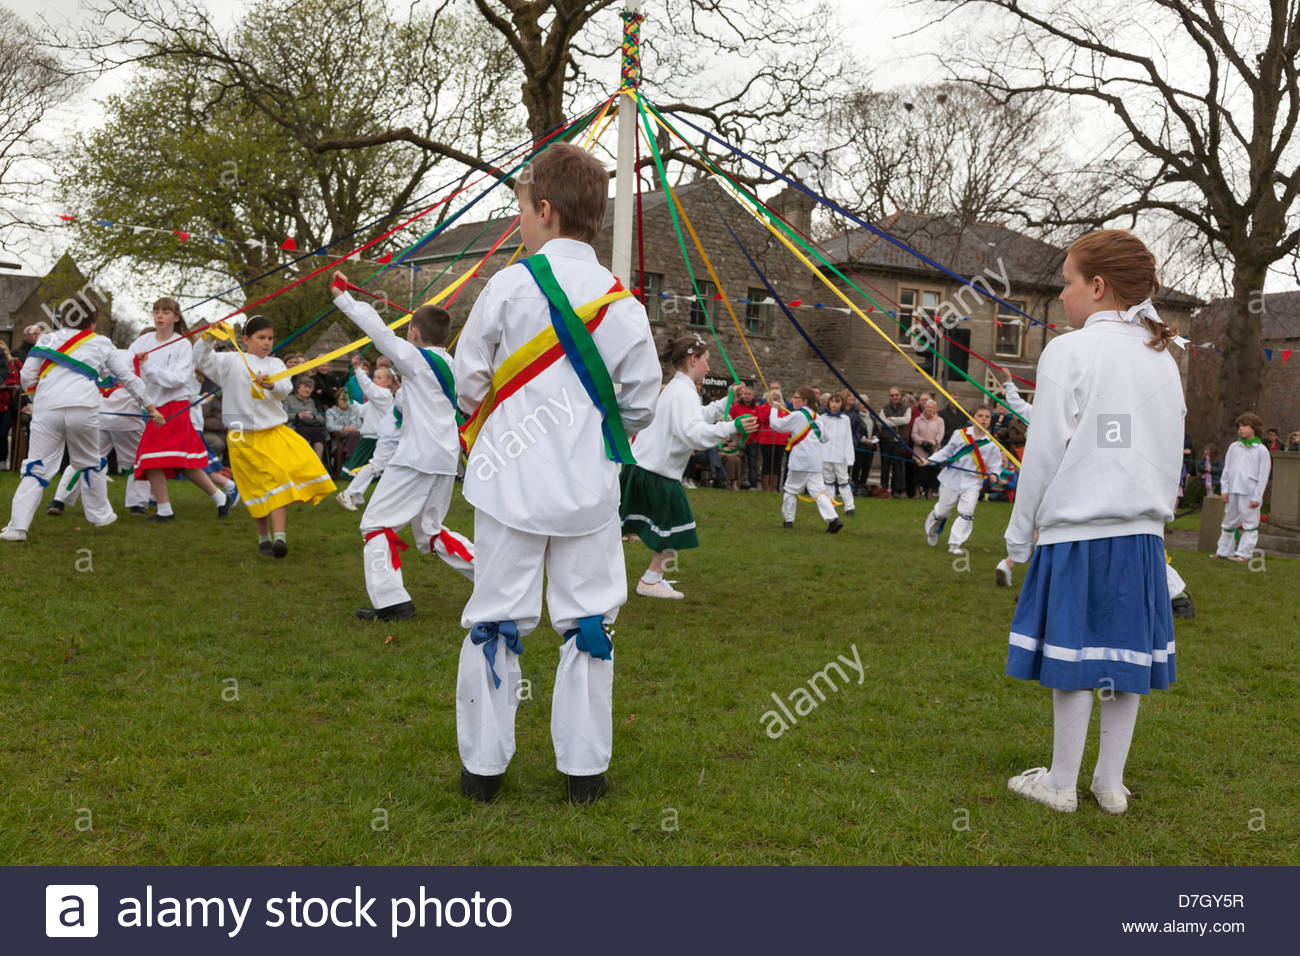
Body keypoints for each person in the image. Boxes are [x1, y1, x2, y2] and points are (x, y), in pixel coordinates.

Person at [451, 141, 660, 803]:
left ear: (543, 209)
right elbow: (640, 401)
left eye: (521, 209)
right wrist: (589, 436)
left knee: (496, 620)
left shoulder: (508, 286)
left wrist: (505, 424)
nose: (520, 221)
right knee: (589, 621)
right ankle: (584, 772)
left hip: (508, 485)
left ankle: (483, 772)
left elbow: (467, 378)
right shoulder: (620, 301)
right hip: (589, 492)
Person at [1003, 228, 1184, 816]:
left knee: (1074, 657)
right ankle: (1109, 784)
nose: (1062, 296)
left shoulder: (1069, 351)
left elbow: (1045, 450)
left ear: (1098, 286)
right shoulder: (1164, 361)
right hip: (1141, 538)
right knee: (1124, 661)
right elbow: (1166, 450)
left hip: (1077, 532)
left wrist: (1017, 532)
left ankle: (1060, 783)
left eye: (1068, 282)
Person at [330, 275, 475, 620]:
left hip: (416, 458)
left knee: (376, 525)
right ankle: (495, 576)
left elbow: (379, 333)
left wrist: (343, 297)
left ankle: (391, 600)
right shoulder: (453, 366)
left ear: (413, 333)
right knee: (430, 533)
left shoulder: (417, 360)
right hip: (443, 459)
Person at [3, 297, 162, 542]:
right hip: (84, 409)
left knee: (36, 467)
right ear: (93, 321)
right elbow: (127, 378)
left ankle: (17, 527)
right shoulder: (102, 343)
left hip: (47, 410)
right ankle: (100, 516)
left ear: (62, 318)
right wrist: (151, 407)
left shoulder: (46, 339)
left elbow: (27, 375)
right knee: (89, 462)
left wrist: (38, 399)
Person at [621, 334, 757, 599]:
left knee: (626, 526)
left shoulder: (679, 389)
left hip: (647, 469)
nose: (708, 367)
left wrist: (723, 403)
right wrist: (733, 426)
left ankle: (646, 578)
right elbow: (692, 433)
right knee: (676, 530)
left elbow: (695, 417)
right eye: (706, 361)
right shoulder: (682, 392)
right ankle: (649, 581)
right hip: (655, 473)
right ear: (693, 360)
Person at [194, 315, 335, 556]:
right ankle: (263, 539)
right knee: (255, 487)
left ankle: (280, 537)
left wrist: (271, 386)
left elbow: (285, 389)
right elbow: (201, 359)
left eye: (270, 338)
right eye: (261, 338)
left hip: (272, 432)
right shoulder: (229, 361)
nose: (267, 342)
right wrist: (208, 337)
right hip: (241, 435)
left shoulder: (276, 364)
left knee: (277, 478)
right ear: (246, 339)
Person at [129, 298, 234, 521]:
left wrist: (147, 366)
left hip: (174, 407)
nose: (159, 316)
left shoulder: (182, 344)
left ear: (176, 318)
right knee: (171, 461)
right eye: (156, 311)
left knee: (157, 458)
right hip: (153, 408)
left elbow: (178, 380)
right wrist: (134, 363)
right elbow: (126, 364)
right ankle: (209, 500)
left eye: (165, 312)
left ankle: (173, 508)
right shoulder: (143, 341)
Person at [46, 380, 152, 517]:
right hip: (126, 419)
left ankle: (59, 500)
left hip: (100, 416)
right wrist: (153, 409)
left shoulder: (100, 360)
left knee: (84, 458)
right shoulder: (137, 361)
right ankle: (137, 505)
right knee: (137, 460)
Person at [918, 406, 1002, 554]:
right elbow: (947, 451)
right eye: (980, 415)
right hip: (952, 478)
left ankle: (955, 544)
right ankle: (932, 531)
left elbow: (995, 464)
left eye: (987, 417)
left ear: (990, 420)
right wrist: (929, 460)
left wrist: (995, 474)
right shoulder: (960, 435)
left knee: (967, 513)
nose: (983, 419)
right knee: (942, 512)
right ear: (973, 418)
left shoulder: (992, 443)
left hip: (973, 482)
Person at [770, 385, 843, 533]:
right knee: (818, 492)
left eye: (796, 397)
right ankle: (833, 519)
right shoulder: (817, 417)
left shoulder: (797, 415)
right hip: (815, 461)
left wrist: (774, 409)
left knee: (790, 490)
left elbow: (776, 425)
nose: (793, 400)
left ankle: (788, 521)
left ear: (804, 400)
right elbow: (825, 438)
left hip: (799, 461)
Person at [337, 356, 398, 507]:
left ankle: (356, 493)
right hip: (373, 438)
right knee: (374, 467)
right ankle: (350, 492)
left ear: (388, 381)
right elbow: (362, 410)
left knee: (376, 467)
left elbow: (369, 388)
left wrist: (358, 369)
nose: (375, 380)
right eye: (375, 377)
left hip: (377, 438)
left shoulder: (383, 396)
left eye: (379, 377)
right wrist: (351, 402)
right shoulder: (378, 398)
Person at [1213, 411, 1272, 562]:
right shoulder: (1234, 447)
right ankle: (1223, 551)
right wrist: (1224, 489)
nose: (1241, 428)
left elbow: (1263, 476)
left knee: (1249, 523)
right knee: (1229, 521)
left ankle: (1244, 554)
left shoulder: (1261, 451)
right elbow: (1227, 469)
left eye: (1245, 425)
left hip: (1250, 492)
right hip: (1233, 490)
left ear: (1254, 428)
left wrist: (1257, 496)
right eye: (1239, 426)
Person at [819, 390, 855, 515]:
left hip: (840, 455)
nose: (834, 405)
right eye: (832, 402)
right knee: (828, 480)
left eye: (837, 402)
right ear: (828, 404)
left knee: (843, 480)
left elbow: (848, 438)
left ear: (841, 404)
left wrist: (849, 457)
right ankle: (830, 504)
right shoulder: (822, 418)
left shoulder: (845, 419)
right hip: (826, 454)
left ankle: (849, 506)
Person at [284, 374, 329, 461]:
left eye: (310, 388)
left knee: (319, 434)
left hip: (313, 426)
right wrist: (297, 415)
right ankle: (303, 461)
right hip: (295, 427)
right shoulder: (289, 399)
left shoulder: (312, 401)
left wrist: (313, 416)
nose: (307, 390)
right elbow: (283, 416)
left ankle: (317, 463)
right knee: (305, 432)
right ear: (298, 388)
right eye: (305, 387)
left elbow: (322, 419)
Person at [910, 399, 945, 499]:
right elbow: (914, 434)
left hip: (932, 451)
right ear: (924, 408)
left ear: (935, 409)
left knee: (931, 473)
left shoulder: (940, 421)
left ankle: (929, 493)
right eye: (927, 407)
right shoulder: (918, 420)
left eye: (931, 407)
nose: (929, 409)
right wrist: (922, 442)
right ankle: (917, 493)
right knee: (918, 473)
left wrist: (932, 443)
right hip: (919, 450)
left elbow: (940, 435)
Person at [880, 386, 911, 497]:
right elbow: (883, 422)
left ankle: (896, 490)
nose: (894, 397)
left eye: (896, 395)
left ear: (900, 395)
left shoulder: (906, 408)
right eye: (892, 395)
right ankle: (883, 488)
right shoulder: (884, 408)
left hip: (900, 441)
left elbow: (906, 420)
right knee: (885, 466)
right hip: (887, 441)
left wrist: (892, 419)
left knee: (898, 467)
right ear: (889, 396)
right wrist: (898, 420)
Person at [755, 385, 787, 492]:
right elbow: (763, 419)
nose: (775, 399)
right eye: (773, 397)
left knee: (777, 463)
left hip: (780, 440)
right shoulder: (764, 407)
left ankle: (775, 486)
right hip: (767, 439)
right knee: (767, 462)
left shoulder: (784, 408)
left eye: (777, 397)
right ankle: (766, 486)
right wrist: (771, 408)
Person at [848, 391, 877, 493]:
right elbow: (856, 431)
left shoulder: (871, 416)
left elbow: (876, 429)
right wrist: (864, 439)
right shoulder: (856, 416)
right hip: (861, 445)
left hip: (870, 446)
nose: (864, 405)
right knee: (858, 466)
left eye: (866, 403)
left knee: (866, 466)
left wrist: (874, 437)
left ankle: (863, 484)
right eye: (862, 403)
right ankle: (855, 484)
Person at [326, 388, 363, 464]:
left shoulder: (354, 410)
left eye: (346, 399)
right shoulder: (331, 411)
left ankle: (349, 457)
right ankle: (351, 461)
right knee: (354, 435)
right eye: (341, 399)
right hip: (339, 439)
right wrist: (344, 428)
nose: (344, 402)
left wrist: (353, 429)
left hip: (356, 438)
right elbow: (329, 426)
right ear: (337, 400)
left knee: (355, 435)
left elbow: (359, 426)